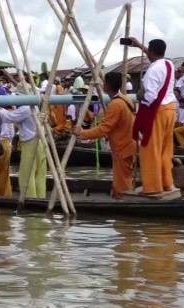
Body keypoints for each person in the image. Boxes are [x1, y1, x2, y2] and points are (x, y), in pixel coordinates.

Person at [74, 72, 136, 199]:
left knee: (122, 185)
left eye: (104, 83)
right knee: (123, 180)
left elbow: (103, 129)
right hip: (128, 146)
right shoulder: (126, 99)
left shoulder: (116, 104)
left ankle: (124, 205)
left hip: (122, 148)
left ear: (107, 86)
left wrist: (82, 133)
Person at [130, 37, 177, 194]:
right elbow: (154, 54)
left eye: (147, 51)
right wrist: (139, 45)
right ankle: (167, 183)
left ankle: (153, 187)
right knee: (165, 149)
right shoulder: (169, 64)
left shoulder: (152, 70)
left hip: (158, 110)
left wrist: (141, 102)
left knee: (150, 149)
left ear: (150, 52)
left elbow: (150, 96)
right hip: (170, 109)